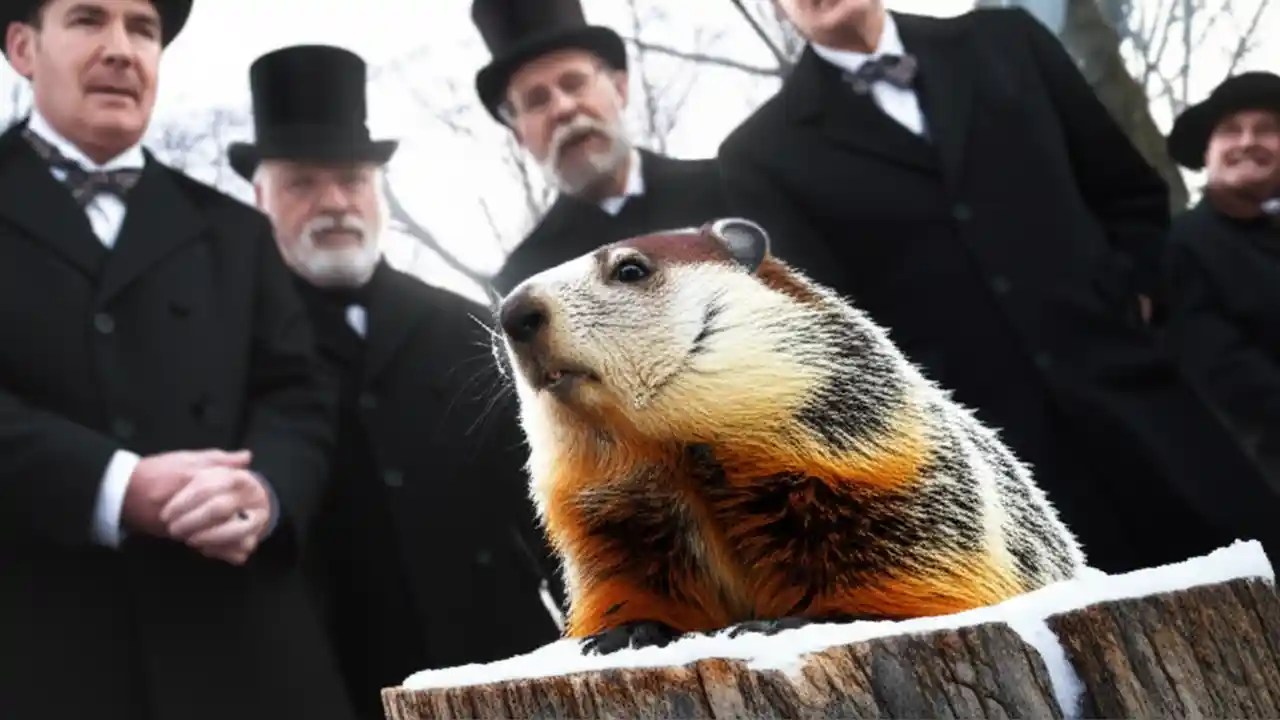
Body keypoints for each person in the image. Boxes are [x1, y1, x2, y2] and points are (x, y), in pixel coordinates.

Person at [716, 0, 1280, 571]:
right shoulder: (759, 154)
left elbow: (1129, 194)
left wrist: (1127, 295)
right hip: (1006, 481)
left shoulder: (1007, 42)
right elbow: (831, 335)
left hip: (1143, 404)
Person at [0, 2, 355, 719]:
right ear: (23, 48)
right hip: (44, 647)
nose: (121, 50)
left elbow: (299, 398)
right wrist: (114, 486)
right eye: (88, 20)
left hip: (248, 649)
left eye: (143, 29)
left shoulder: (237, 230)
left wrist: (264, 493)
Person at [229, 44, 564, 719]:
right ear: (260, 200)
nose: (333, 203)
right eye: (301, 184)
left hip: (508, 671)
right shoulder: (233, 342)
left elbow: (546, 499)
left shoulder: (463, 324)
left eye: (352, 180)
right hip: (334, 686)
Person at [471, 0, 729, 295]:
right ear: (519, 135)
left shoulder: (729, 188)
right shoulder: (526, 283)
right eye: (536, 100)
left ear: (620, 89)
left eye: (574, 83)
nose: (563, 108)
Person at [1161, 71, 1280, 481]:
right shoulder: (1182, 246)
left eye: (1267, 130)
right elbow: (1225, 372)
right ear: (1208, 152)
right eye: (1230, 131)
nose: (1247, 141)